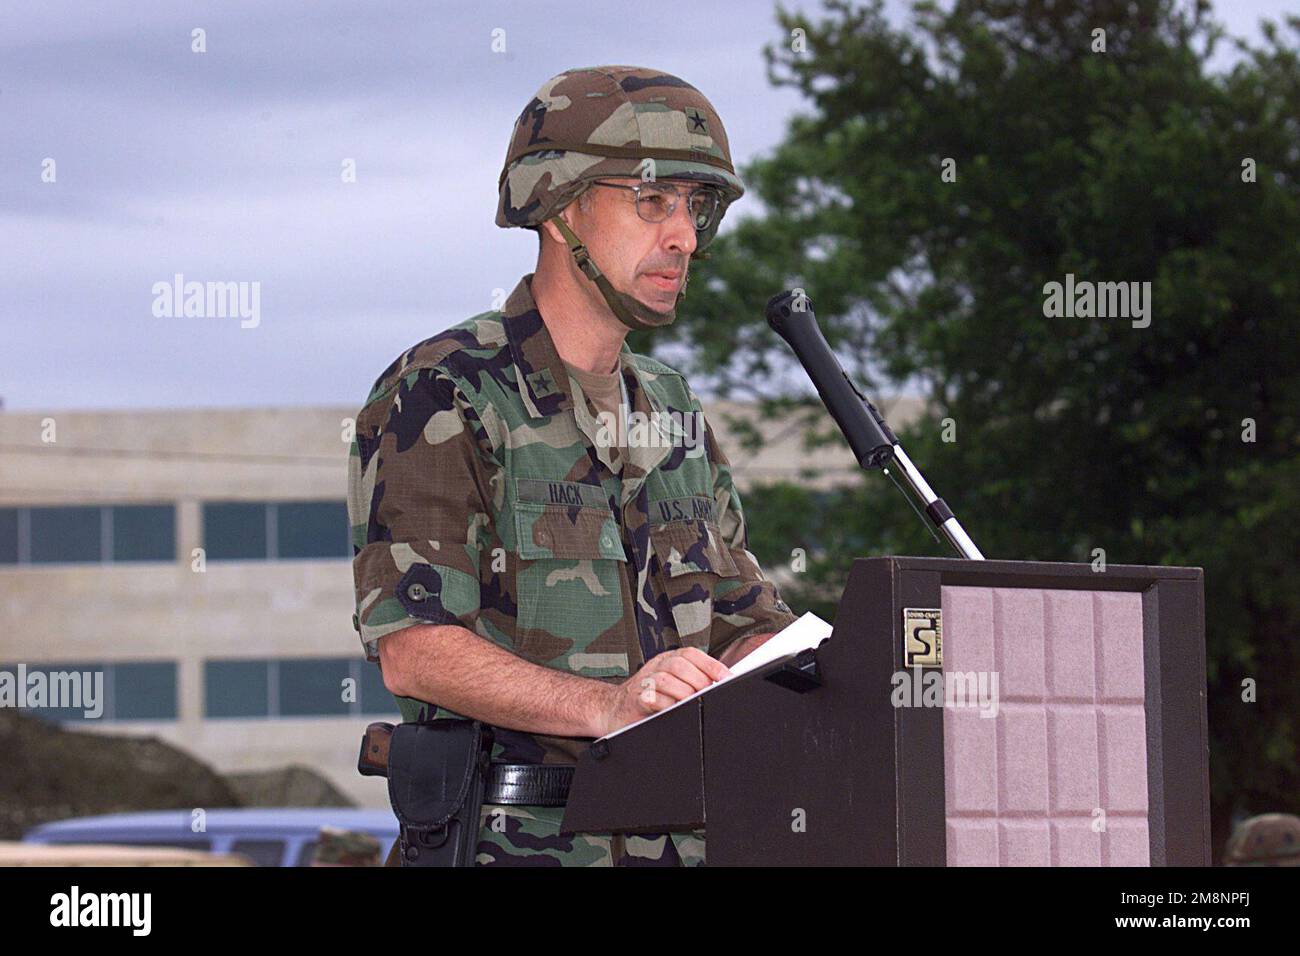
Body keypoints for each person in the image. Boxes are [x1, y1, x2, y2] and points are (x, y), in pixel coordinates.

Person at [348, 65, 798, 866]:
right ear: (560, 204)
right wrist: (608, 706)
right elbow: (413, 647)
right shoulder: (448, 390)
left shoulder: (672, 409)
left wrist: (853, 667)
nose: (685, 237)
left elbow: (737, 618)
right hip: (517, 843)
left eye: (697, 209)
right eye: (652, 201)